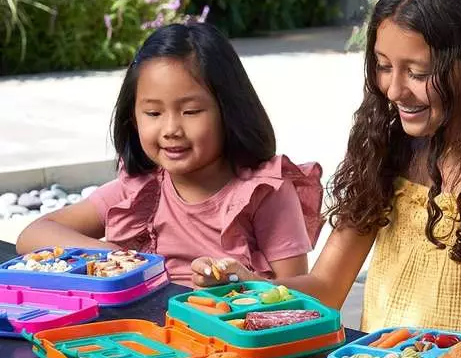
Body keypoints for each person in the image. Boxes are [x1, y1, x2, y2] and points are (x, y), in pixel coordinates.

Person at [192, 0, 461, 334]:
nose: (393, 90)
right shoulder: (388, 150)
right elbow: (326, 288)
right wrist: (249, 286)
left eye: (417, 73)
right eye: (384, 67)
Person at [16, 23, 324, 287]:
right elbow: (33, 234)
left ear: (229, 111)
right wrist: (116, 255)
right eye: (152, 112)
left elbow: (296, 299)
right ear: (132, 116)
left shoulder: (264, 192)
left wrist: (241, 282)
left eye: (190, 111)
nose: (171, 129)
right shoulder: (141, 188)